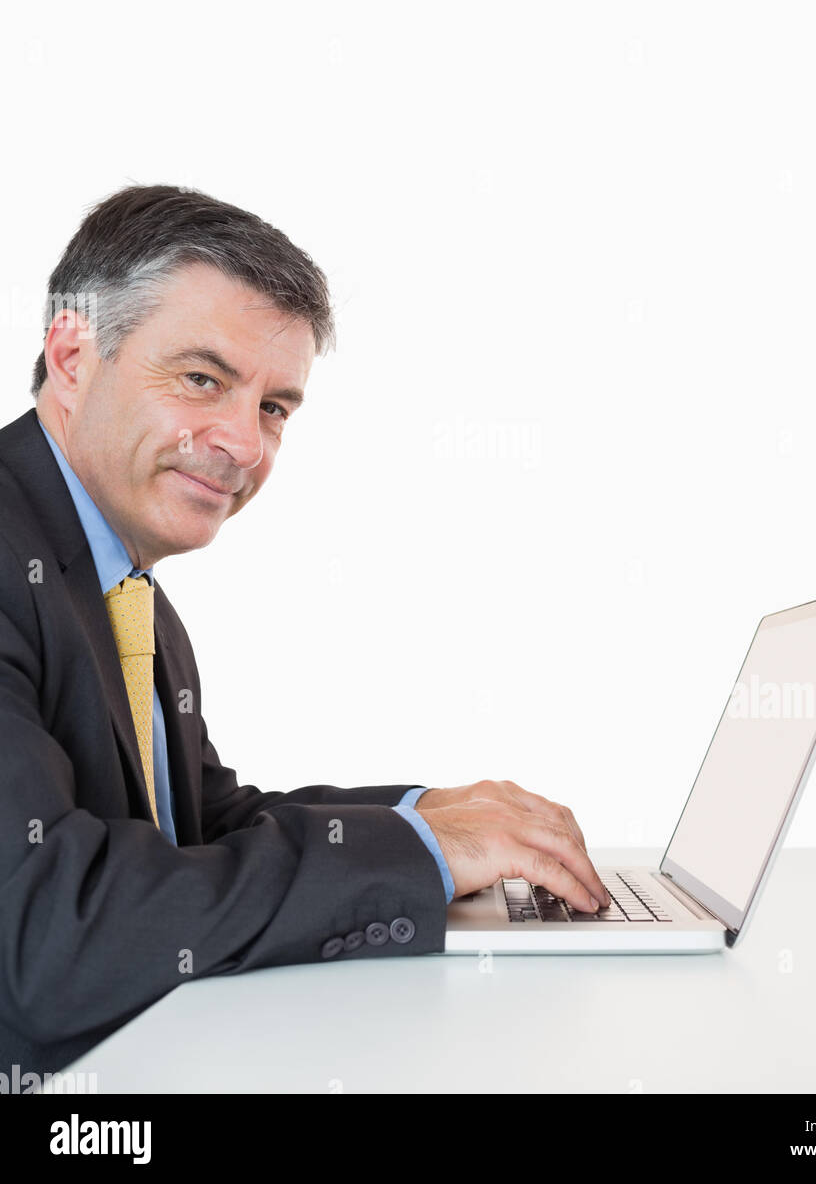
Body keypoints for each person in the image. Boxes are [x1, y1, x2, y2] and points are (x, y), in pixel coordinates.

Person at [0, 184, 608, 1078]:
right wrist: (419, 856)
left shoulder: (125, 592)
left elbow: (197, 834)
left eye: (274, 407)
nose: (244, 444)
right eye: (203, 379)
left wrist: (423, 817)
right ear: (74, 352)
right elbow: (49, 933)